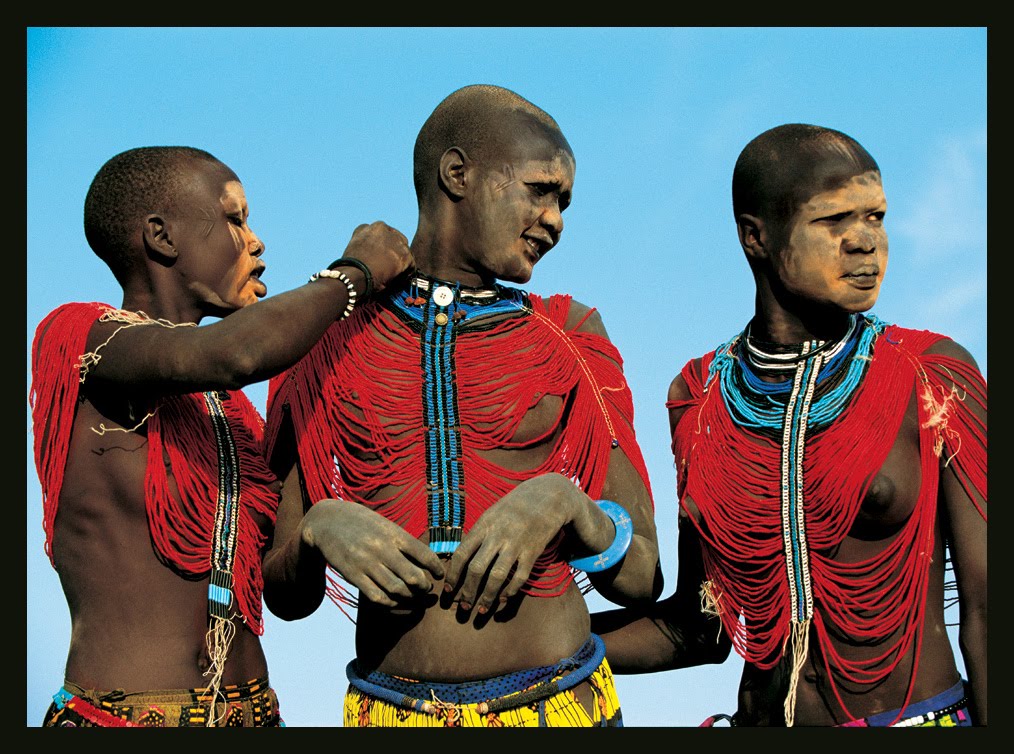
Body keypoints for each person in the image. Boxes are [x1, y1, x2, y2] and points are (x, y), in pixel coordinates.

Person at [261, 84, 662, 728]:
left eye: (564, 202)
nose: (556, 220)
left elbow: (642, 573)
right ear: (457, 173)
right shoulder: (326, 340)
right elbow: (284, 595)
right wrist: (319, 528)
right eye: (540, 189)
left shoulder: (571, 335)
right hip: (390, 713)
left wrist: (564, 501)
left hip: (565, 710)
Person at [590, 123, 987, 727]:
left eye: (876, 218)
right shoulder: (702, 397)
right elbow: (701, 628)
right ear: (756, 237)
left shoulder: (929, 374)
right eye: (834, 221)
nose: (865, 242)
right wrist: (539, 639)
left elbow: (988, 610)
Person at [29, 145, 414, 727]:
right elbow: (235, 353)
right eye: (235, 219)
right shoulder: (86, 340)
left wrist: (316, 530)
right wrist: (352, 275)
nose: (256, 242)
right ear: (162, 237)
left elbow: (287, 597)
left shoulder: (233, 412)